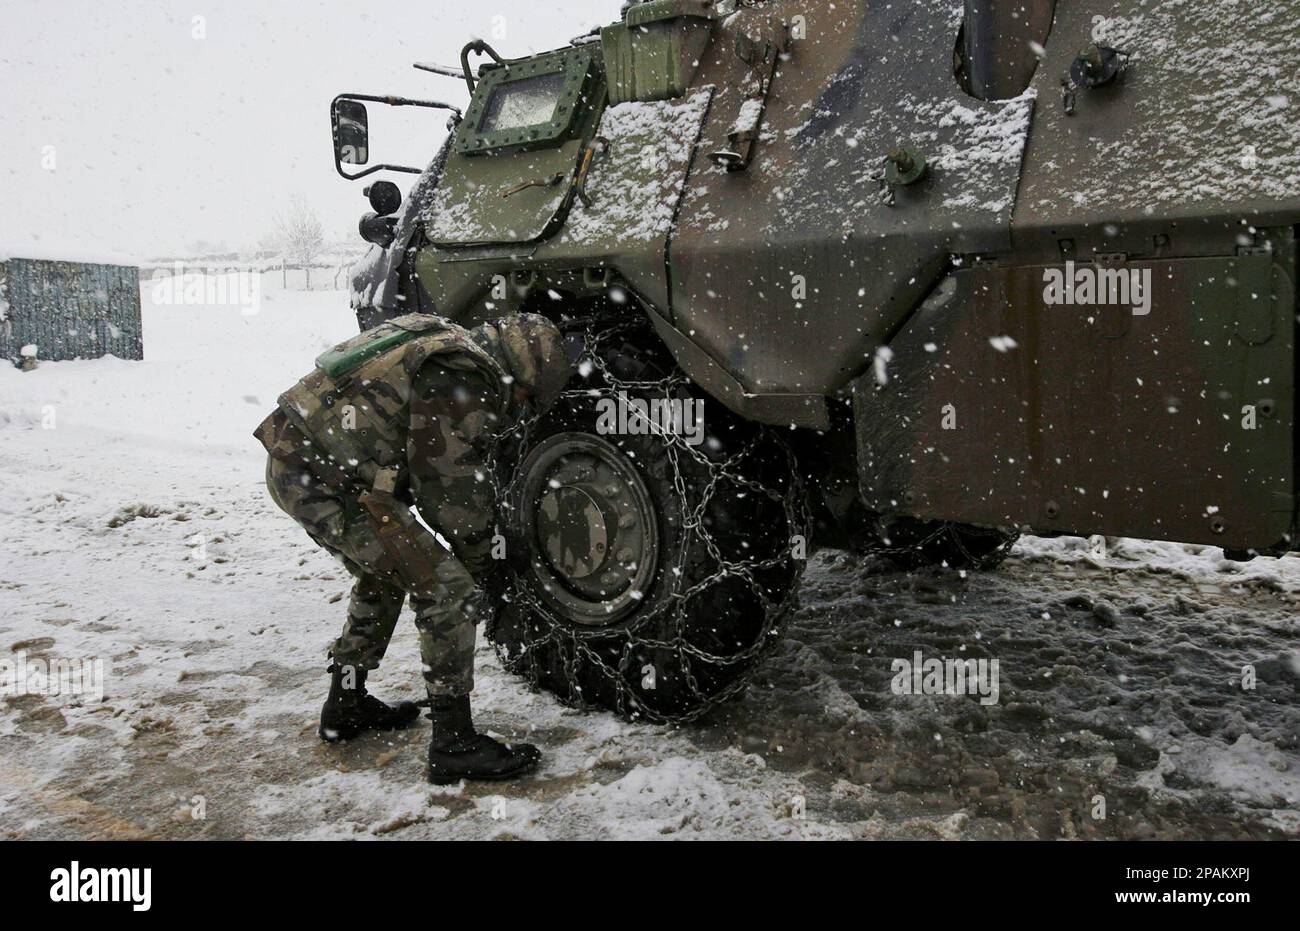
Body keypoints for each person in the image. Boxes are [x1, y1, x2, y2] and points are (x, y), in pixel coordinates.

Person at [254, 312, 570, 784]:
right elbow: (447, 490)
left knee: (387, 573)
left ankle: (345, 703)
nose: (518, 409)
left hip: (308, 466)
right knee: (447, 592)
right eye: (524, 397)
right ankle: (453, 744)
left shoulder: (442, 336)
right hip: (325, 482)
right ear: (520, 370)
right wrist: (487, 561)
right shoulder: (462, 372)